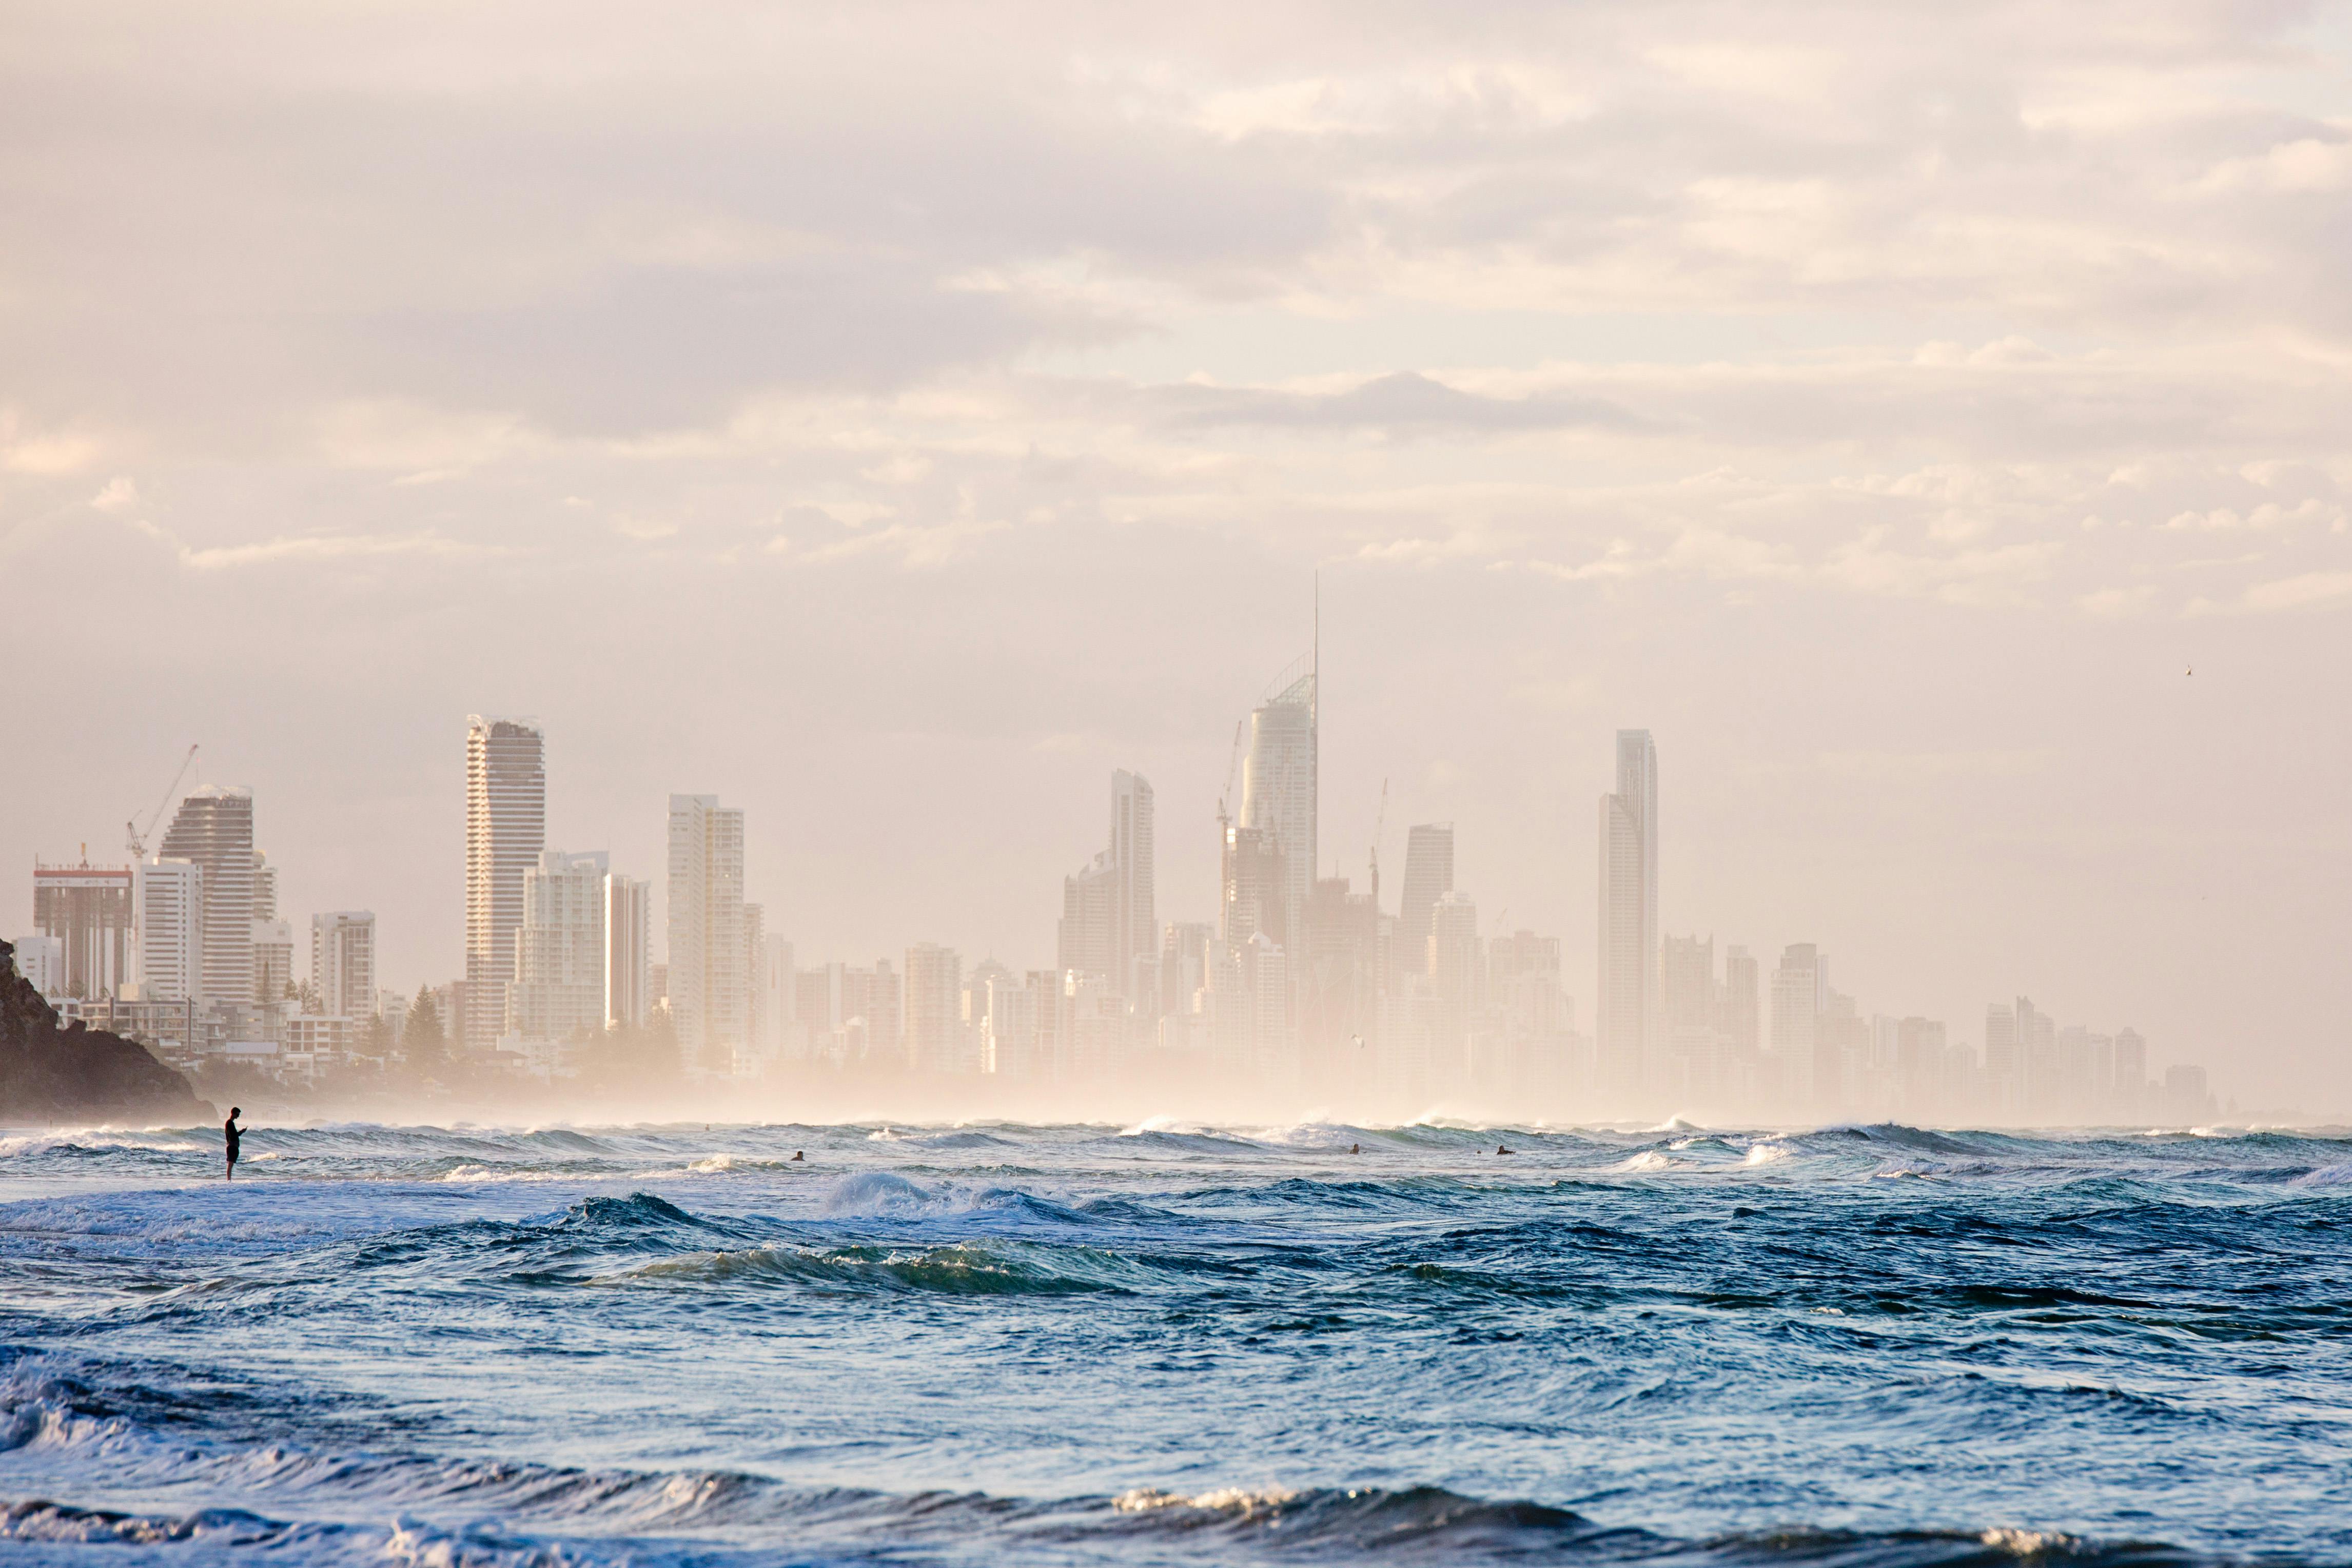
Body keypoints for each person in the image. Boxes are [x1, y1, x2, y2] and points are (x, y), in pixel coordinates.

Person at [224, 1107, 243, 1181]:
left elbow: (233, 1134)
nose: (238, 1116)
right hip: (232, 1147)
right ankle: (229, 1181)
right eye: (237, 1114)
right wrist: (241, 1132)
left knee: (230, 1166)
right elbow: (234, 1135)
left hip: (232, 1147)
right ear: (233, 1113)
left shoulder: (230, 1123)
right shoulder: (230, 1123)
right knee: (230, 1166)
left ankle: (229, 1181)